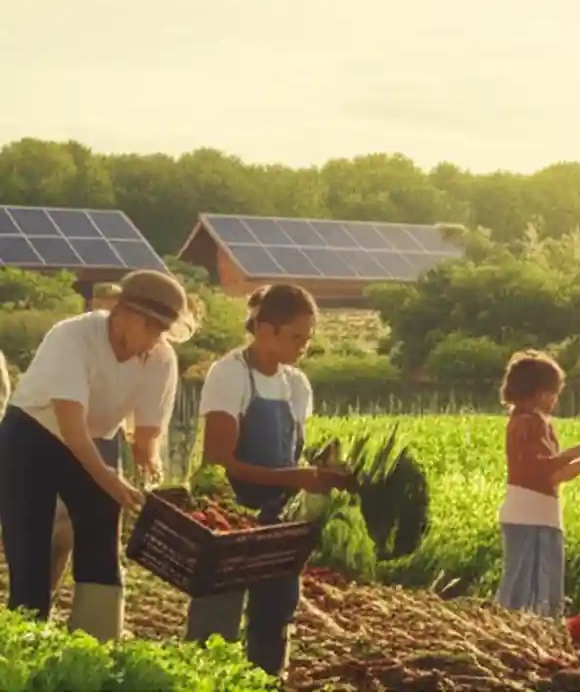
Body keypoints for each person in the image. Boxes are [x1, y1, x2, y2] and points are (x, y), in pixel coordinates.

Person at [0, 270, 190, 642]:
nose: (157, 339)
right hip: (30, 440)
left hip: (94, 440)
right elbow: (71, 429)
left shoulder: (161, 358)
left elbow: (146, 432)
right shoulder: (73, 337)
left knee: (103, 540)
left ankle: (96, 642)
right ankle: (26, 646)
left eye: (164, 330)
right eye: (153, 328)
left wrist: (148, 463)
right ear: (125, 314)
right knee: (31, 551)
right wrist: (111, 481)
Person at [184, 284, 349, 676]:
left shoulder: (297, 385)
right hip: (231, 516)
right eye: (295, 337)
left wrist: (324, 471)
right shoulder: (230, 374)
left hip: (278, 518)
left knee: (275, 615)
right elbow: (219, 463)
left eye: (307, 339)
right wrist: (295, 476)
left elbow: (292, 453)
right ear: (264, 330)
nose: (303, 347)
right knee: (216, 621)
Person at [496, 351, 580, 618]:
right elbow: (551, 468)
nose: (554, 399)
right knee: (532, 596)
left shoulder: (526, 423)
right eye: (553, 392)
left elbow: (558, 472)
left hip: (534, 514)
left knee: (527, 592)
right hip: (532, 516)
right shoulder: (531, 423)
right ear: (540, 392)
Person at [50, 281, 131, 593]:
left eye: (112, 305)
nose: (106, 312)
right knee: (56, 528)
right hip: (64, 441)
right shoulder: (75, 340)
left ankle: (96, 606)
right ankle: (40, 602)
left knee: (100, 529)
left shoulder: (134, 352)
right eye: (100, 304)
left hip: (106, 443)